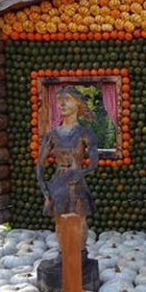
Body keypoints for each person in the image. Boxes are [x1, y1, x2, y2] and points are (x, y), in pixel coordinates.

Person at [36, 86, 99, 229]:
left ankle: (81, 251)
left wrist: (81, 173)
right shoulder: (52, 135)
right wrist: (43, 185)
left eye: (67, 100)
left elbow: (94, 163)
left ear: (78, 103)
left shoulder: (85, 133)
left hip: (77, 183)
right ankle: (63, 251)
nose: (62, 104)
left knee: (79, 221)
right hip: (57, 183)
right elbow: (40, 163)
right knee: (59, 222)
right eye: (59, 100)